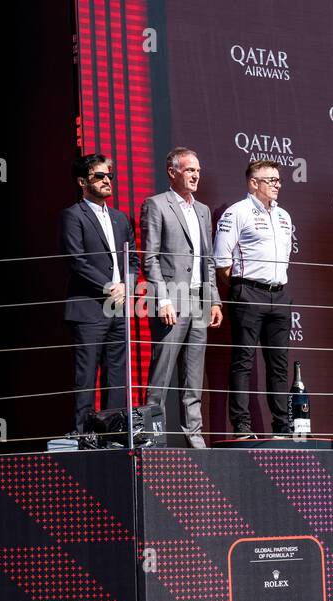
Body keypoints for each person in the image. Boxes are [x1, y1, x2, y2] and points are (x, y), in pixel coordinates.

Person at [142, 147, 224, 449]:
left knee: (193, 376)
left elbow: (208, 260)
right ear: (172, 172)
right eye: (190, 170)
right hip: (172, 300)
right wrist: (162, 299)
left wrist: (214, 299)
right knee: (160, 374)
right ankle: (153, 438)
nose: (196, 175)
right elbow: (149, 258)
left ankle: (195, 437)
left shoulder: (202, 210)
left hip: (199, 300)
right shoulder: (156, 205)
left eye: (198, 171)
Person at [214, 159, 295, 439]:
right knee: (244, 361)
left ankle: (283, 427)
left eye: (278, 180)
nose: (277, 184)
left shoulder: (284, 216)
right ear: (253, 182)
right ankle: (242, 426)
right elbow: (222, 263)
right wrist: (244, 288)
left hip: (280, 295)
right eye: (270, 180)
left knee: (279, 364)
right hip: (248, 292)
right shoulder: (236, 213)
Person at [61, 153, 139, 432]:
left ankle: (112, 432)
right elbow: (77, 260)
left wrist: (127, 286)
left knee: (116, 375)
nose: (107, 180)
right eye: (99, 176)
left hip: (117, 307)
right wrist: (109, 287)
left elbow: (132, 259)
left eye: (109, 176)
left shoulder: (120, 218)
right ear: (83, 182)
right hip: (88, 307)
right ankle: (82, 434)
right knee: (86, 376)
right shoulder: (73, 215)